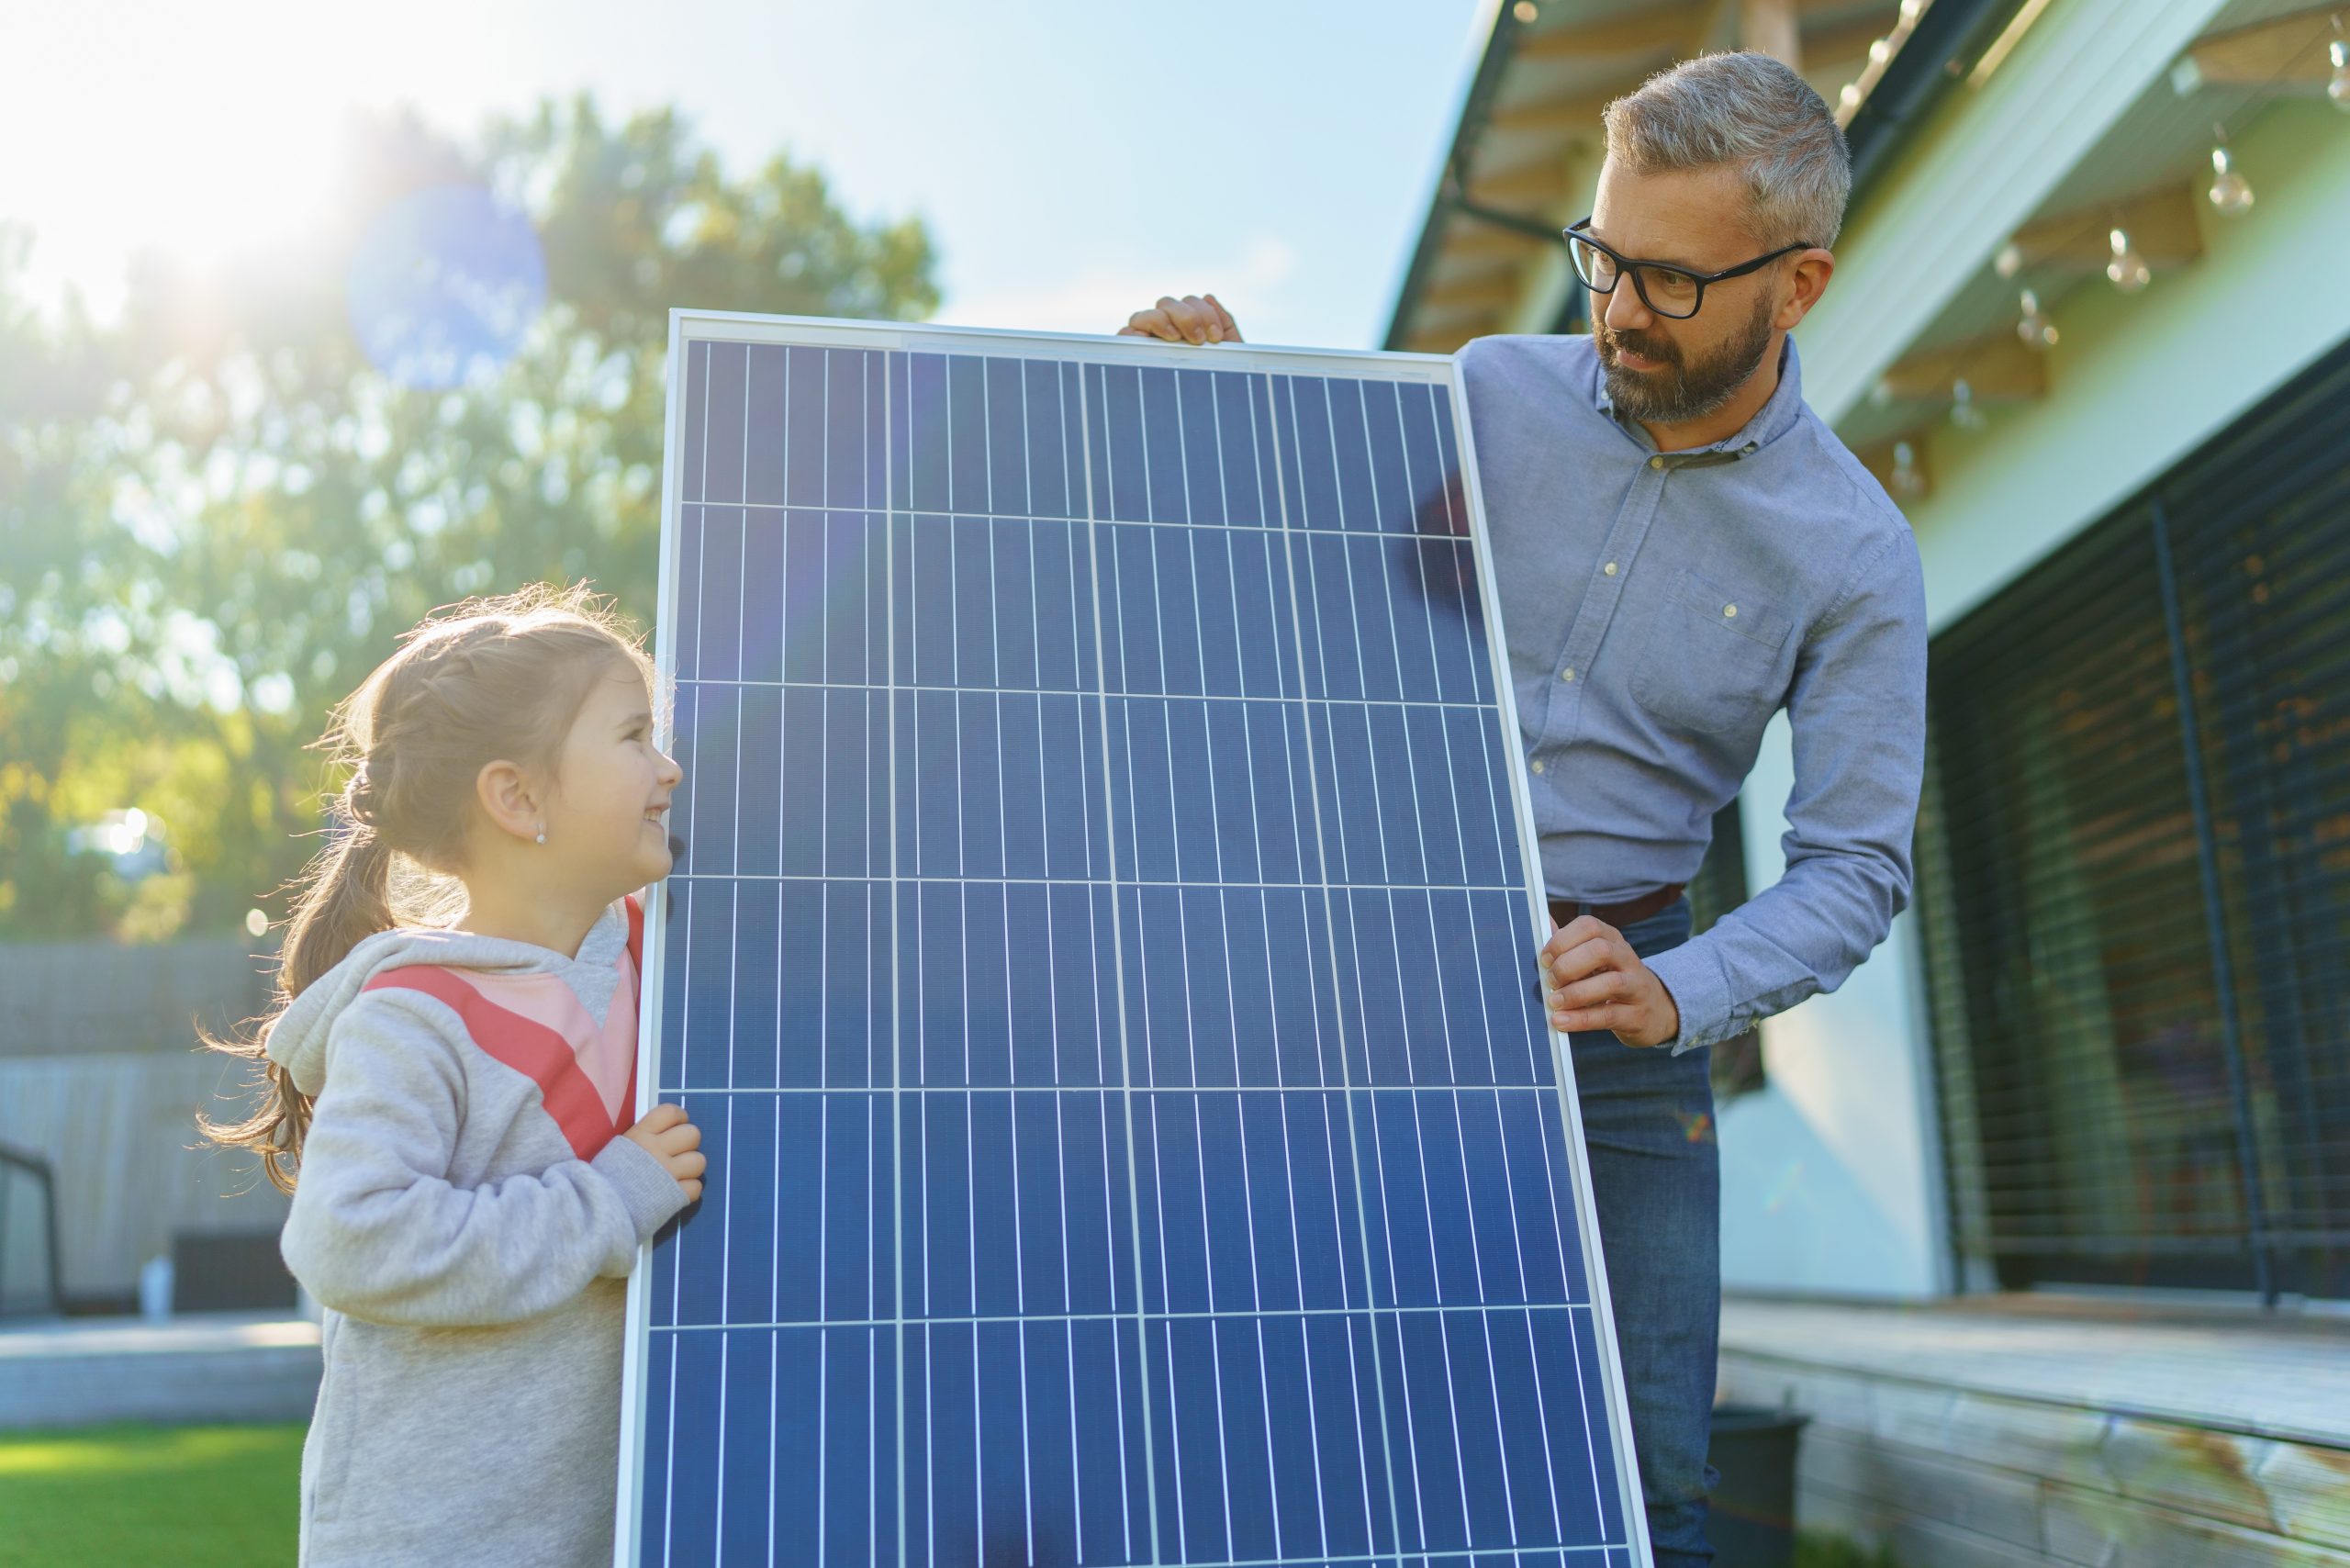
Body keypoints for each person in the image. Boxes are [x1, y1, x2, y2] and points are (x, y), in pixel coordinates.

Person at [1121, 50, 1926, 1565]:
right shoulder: (1486, 393)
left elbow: (1854, 867)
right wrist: (1185, 411)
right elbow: (1288, 599)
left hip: (1614, 1014)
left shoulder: (1857, 556)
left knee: (1646, 1488)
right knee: (1298, 1429)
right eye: (1607, 257)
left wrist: (1673, 991)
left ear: (1797, 284)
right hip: (1352, 977)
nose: (1618, 309)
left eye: (1672, 283)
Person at [203, 584, 708, 1568]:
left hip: (600, 1527)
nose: (671, 767)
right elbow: (349, 1236)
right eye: (634, 736)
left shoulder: (662, 961)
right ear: (517, 797)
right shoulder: (417, 1015)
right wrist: (607, 1201)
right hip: (435, 1535)